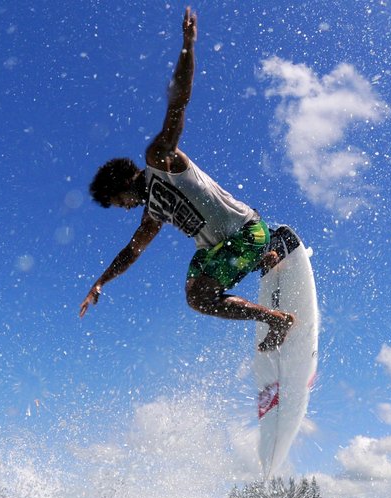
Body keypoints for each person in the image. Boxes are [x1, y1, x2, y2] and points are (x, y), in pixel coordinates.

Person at [79, 7, 295, 352]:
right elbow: (131, 251)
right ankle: (263, 259)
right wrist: (102, 281)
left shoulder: (160, 160)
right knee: (195, 282)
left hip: (246, 232)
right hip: (222, 247)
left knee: (199, 297)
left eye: (116, 202)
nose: (121, 209)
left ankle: (274, 312)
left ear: (119, 189)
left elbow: (177, 104)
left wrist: (188, 47)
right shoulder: (154, 212)